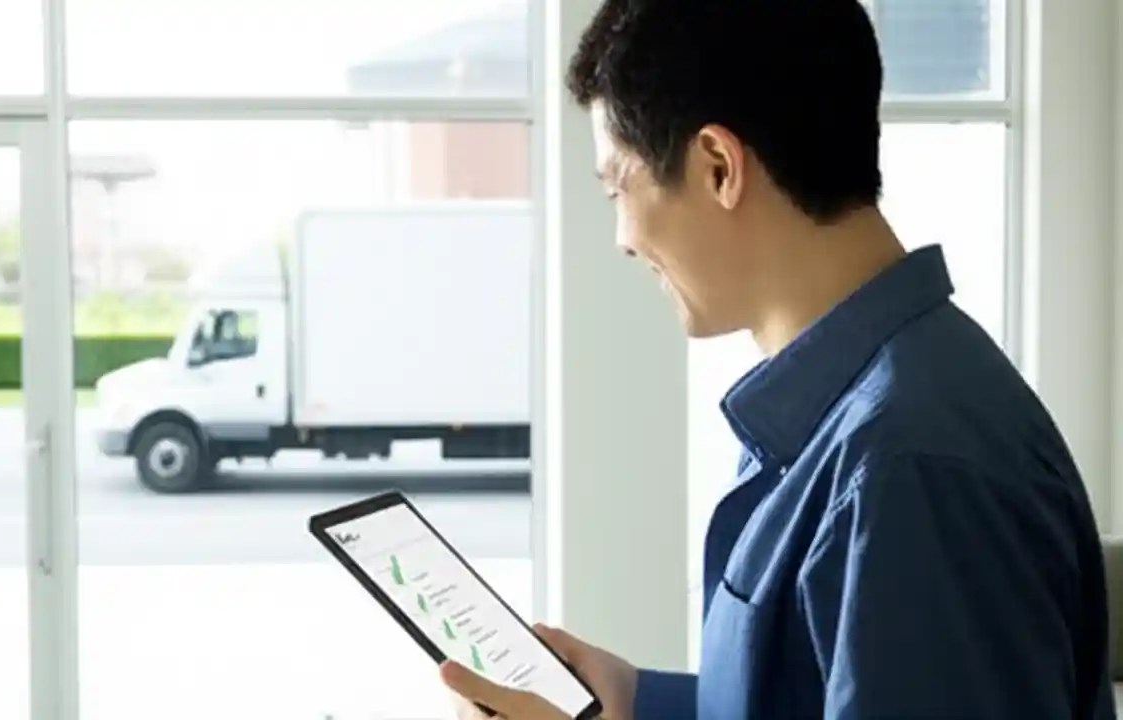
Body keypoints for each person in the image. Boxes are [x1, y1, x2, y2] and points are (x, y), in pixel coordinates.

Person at [440, 0, 1116, 718]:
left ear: (718, 166)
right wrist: (636, 703)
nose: (623, 238)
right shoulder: (855, 412)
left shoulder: (909, 465)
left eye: (618, 188)